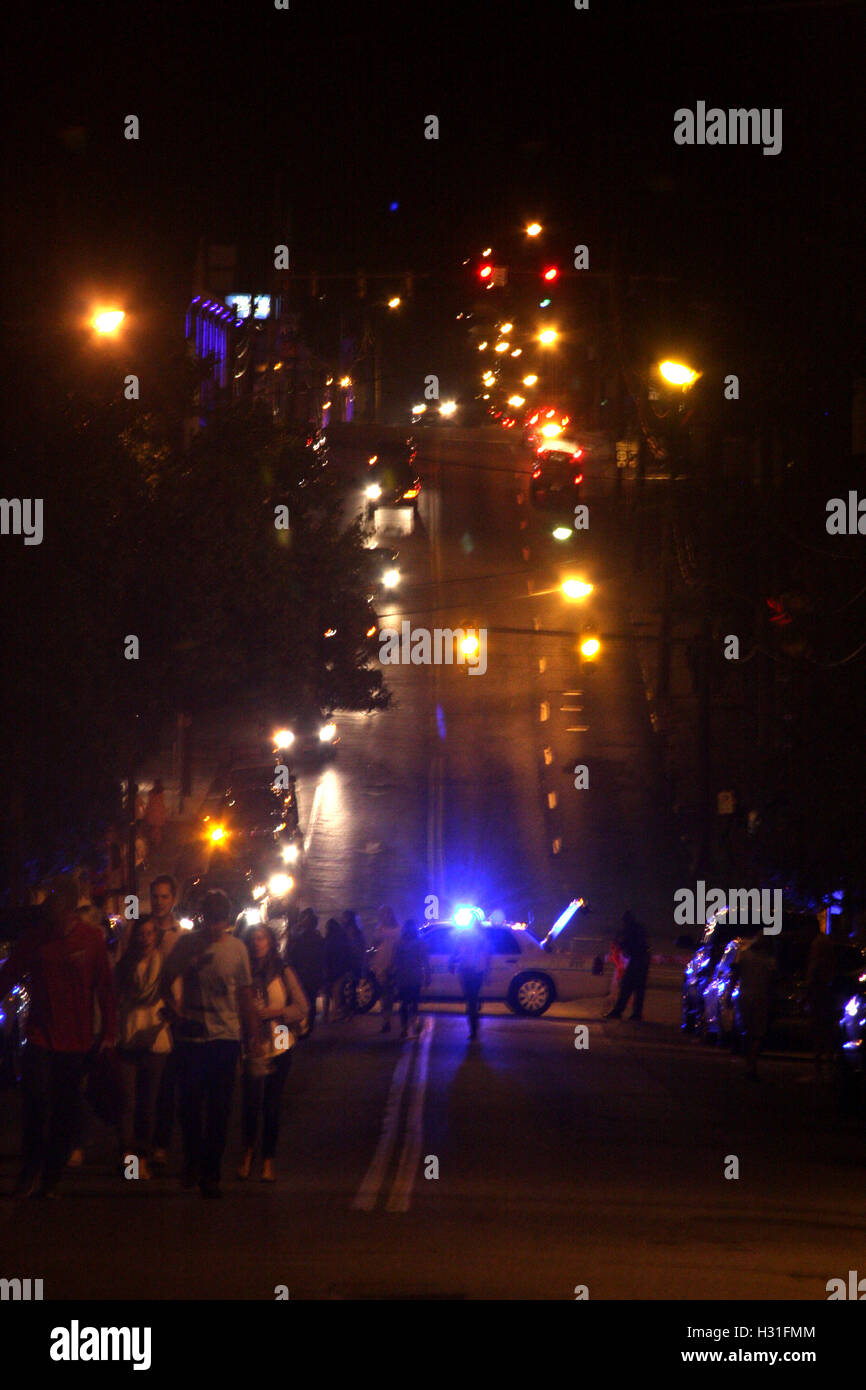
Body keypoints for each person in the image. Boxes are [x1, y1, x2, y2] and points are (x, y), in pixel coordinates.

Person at [0, 874, 117, 1198]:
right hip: (40, 1036)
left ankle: (51, 1176)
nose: (56, 922)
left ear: (70, 912)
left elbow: (105, 989)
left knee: (65, 1110)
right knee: (35, 1105)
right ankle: (30, 1170)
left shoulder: (91, 939)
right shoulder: (37, 939)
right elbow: (8, 974)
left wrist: (108, 1033)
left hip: (75, 1041)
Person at [160, 889, 261, 1198]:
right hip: (193, 1037)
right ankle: (192, 1159)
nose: (215, 928)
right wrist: (177, 1012)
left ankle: (211, 1172)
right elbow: (166, 979)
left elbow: (244, 994)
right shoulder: (188, 945)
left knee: (219, 1109)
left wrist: (252, 1034)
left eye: (220, 922)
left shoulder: (237, 949)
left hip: (225, 1039)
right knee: (190, 1106)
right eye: (211, 922)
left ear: (226, 921)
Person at [238, 924, 308, 1182]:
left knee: (272, 1105)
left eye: (262, 938)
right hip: (254, 1044)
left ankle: (268, 1158)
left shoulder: (282, 969)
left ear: (270, 942)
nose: (257, 943)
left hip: (279, 1041)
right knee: (251, 1103)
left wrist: (275, 1012)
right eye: (253, 939)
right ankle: (247, 1152)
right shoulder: (243, 972)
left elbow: (302, 1006)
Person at [114, 916, 178, 1179]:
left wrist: (167, 1017)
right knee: (127, 1101)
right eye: (141, 934)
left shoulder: (165, 967)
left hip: (154, 1037)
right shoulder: (124, 967)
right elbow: (114, 998)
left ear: (156, 936)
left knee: (147, 1103)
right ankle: (129, 1161)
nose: (146, 938)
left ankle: (143, 1158)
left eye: (150, 933)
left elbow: (176, 999)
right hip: (128, 1036)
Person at [733, 929, 776, 1077]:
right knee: (757, 1033)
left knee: (748, 1031)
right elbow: (771, 982)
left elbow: (735, 975)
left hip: (746, 996)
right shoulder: (769, 961)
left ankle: (749, 1062)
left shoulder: (745, 956)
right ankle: (751, 1062)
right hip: (760, 998)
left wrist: (729, 994)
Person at [604, 911, 651, 1020]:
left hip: (638, 960)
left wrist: (619, 943)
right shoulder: (637, 929)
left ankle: (619, 1011)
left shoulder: (632, 930)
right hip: (641, 959)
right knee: (638, 988)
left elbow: (630, 944)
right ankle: (635, 1013)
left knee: (627, 986)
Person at [449, 920, 491, 1041]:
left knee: (470, 998)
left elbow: (455, 950)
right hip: (477, 971)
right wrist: (487, 972)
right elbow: (488, 956)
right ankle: (474, 1016)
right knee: (473, 997)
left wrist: (451, 963)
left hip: (467, 970)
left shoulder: (465, 935)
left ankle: (473, 1027)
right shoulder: (483, 938)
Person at [805, 920, 836, 1069]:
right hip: (826, 988)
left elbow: (814, 967)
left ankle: (819, 1066)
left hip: (819, 989)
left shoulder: (817, 944)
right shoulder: (826, 942)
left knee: (817, 1027)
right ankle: (827, 1062)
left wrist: (809, 988)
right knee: (826, 1027)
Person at [288, 909, 326, 1033]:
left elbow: (293, 954)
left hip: (304, 974)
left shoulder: (301, 937)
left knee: (303, 1000)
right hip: (312, 974)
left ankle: (305, 1026)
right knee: (311, 1000)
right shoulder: (317, 938)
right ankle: (308, 1026)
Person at [393, 919, 430, 1039]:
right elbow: (425, 961)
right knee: (414, 1002)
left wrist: (393, 975)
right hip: (415, 976)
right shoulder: (420, 943)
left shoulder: (399, 943)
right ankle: (414, 1025)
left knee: (404, 1003)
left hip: (402, 976)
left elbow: (395, 960)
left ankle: (404, 1028)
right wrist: (427, 977)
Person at [372, 905, 402, 1033]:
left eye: (386, 913)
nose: (384, 916)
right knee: (384, 993)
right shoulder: (379, 928)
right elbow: (374, 944)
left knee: (391, 993)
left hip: (393, 962)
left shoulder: (398, 929)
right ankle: (386, 1020)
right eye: (382, 914)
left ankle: (396, 1020)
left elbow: (400, 946)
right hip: (381, 962)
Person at [322, 917, 354, 1022]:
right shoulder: (341, 939)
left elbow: (326, 955)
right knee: (336, 993)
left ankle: (329, 1014)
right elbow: (347, 955)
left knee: (331, 993)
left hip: (332, 970)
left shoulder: (328, 939)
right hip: (338, 970)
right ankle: (334, 1014)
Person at [144, 779, 168, 852]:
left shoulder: (152, 793)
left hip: (153, 812)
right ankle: (156, 844)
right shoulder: (161, 793)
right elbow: (162, 803)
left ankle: (154, 843)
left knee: (154, 829)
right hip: (159, 812)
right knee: (157, 829)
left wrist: (147, 812)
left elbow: (150, 803)